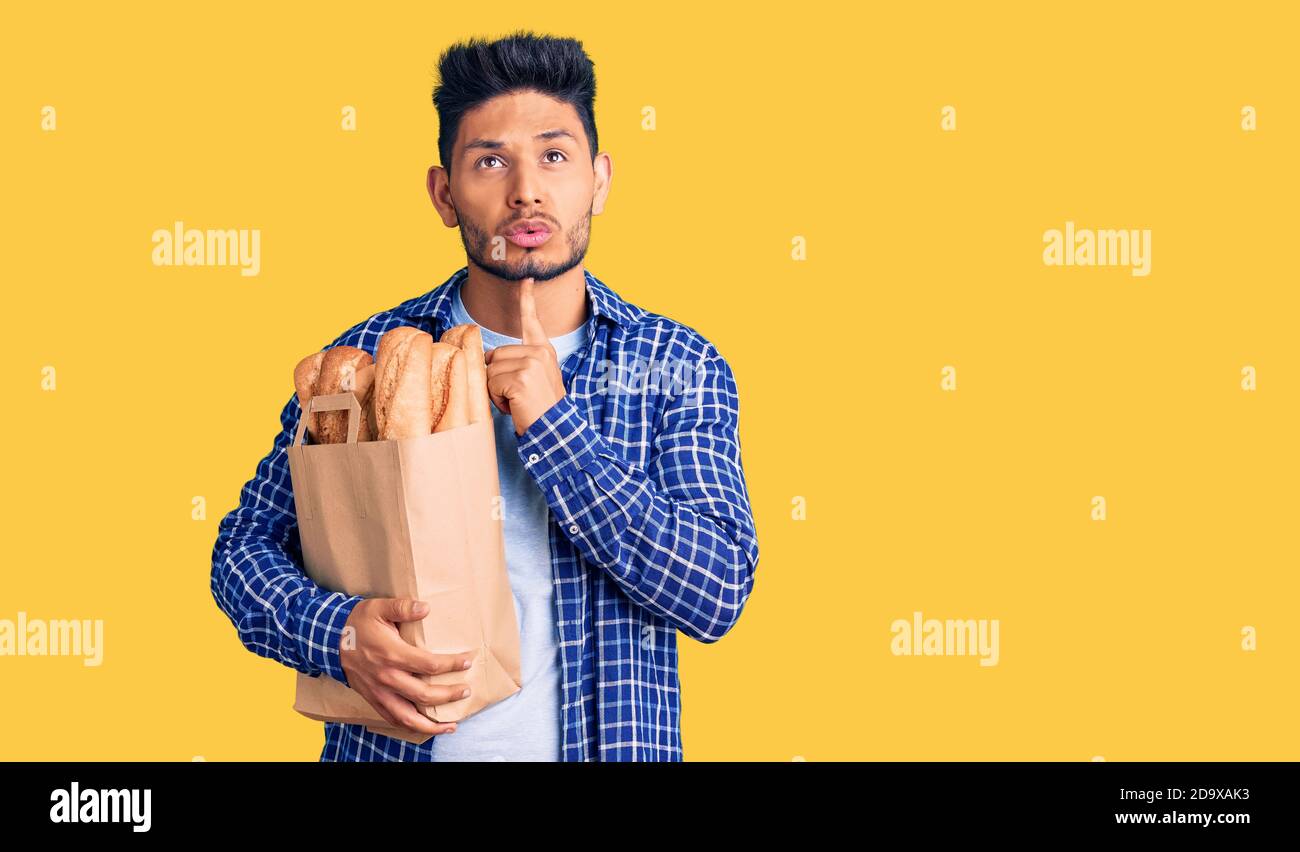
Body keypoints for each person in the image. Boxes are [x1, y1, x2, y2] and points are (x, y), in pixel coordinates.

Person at [210, 30, 759, 761]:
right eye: (491, 160)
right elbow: (242, 552)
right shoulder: (368, 358)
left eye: (555, 156)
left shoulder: (675, 363)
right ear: (444, 193)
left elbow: (715, 591)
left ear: (598, 180)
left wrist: (557, 429)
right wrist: (336, 633)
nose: (526, 189)